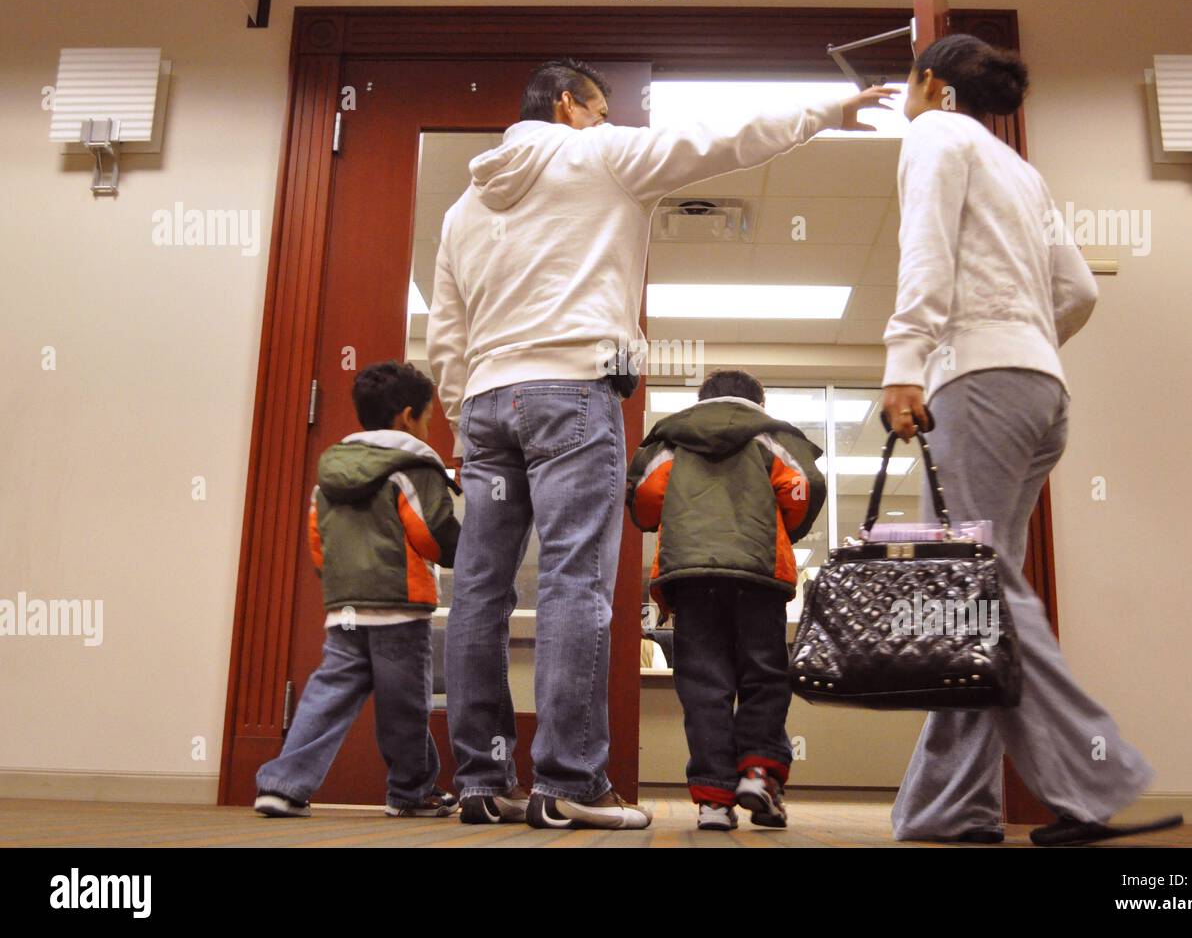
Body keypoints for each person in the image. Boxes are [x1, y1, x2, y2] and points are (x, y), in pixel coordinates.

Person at [426, 58, 882, 830]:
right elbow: (719, 140)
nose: (609, 122)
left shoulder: (464, 205)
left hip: (486, 402)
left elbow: (447, 333)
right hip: (571, 389)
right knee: (576, 582)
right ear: (570, 107)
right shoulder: (599, 155)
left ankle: (481, 778)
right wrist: (829, 109)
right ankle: (567, 779)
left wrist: (463, 416)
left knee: (478, 591)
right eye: (601, 110)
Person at [880, 33, 1182, 847]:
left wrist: (907, 361)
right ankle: (950, 809)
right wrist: (1025, 343)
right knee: (976, 603)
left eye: (907, 82)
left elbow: (926, 252)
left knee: (979, 595)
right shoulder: (1021, 169)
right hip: (1039, 391)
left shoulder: (935, 135)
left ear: (931, 84)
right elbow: (1077, 290)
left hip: (974, 387)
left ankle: (1095, 781)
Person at [253, 361, 461, 820]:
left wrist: (341, 589)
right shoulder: (414, 465)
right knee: (403, 706)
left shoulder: (333, 469)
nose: (428, 429)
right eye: (428, 419)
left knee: (327, 696)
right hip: (400, 607)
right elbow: (431, 533)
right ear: (408, 416)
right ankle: (410, 793)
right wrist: (460, 553)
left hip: (344, 608)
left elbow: (317, 538)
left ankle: (282, 786)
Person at [626, 369, 826, 831]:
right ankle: (758, 773)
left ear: (702, 400)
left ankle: (713, 799)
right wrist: (782, 524)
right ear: (759, 401)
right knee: (765, 674)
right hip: (759, 573)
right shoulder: (771, 437)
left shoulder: (672, 440)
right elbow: (804, 487)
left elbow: (645, 498)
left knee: (703, 684)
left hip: (692, 577)